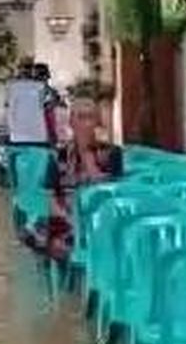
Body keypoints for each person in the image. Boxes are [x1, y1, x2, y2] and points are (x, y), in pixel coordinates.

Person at [28, 98, 123, 262]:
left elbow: (112, 192)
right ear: (71, 122)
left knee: (91, 236)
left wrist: (88, 157)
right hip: (66, 216)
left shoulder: (112, 153)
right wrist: (67, 216)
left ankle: (83, 265)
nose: (85, 123)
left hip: (99, 217)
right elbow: (51, 195)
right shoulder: (59, 155)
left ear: (97, 122)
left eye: (90, 117)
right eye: (80, 117)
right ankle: (67, 270)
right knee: (34, 231)